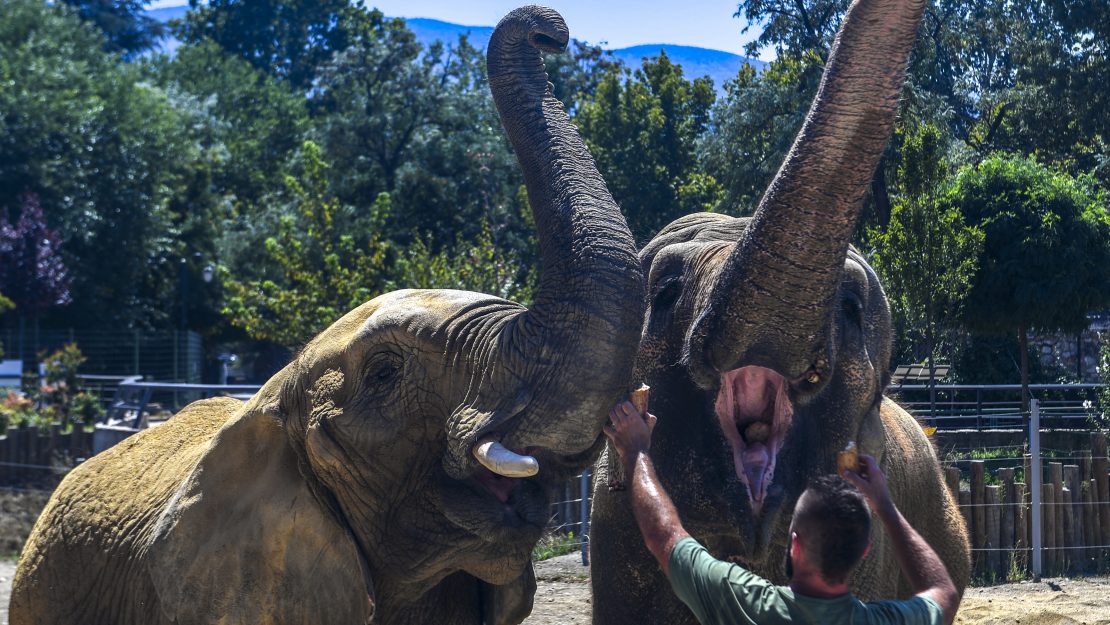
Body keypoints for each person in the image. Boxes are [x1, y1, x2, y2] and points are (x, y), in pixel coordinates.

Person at [604, 400, 960, 625]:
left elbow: (664, 535)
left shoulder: (745, 603)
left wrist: (636, 451)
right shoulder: (883, 620)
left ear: (794, 544)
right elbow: (942, 591)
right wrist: (885, 505)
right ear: (864, 551)